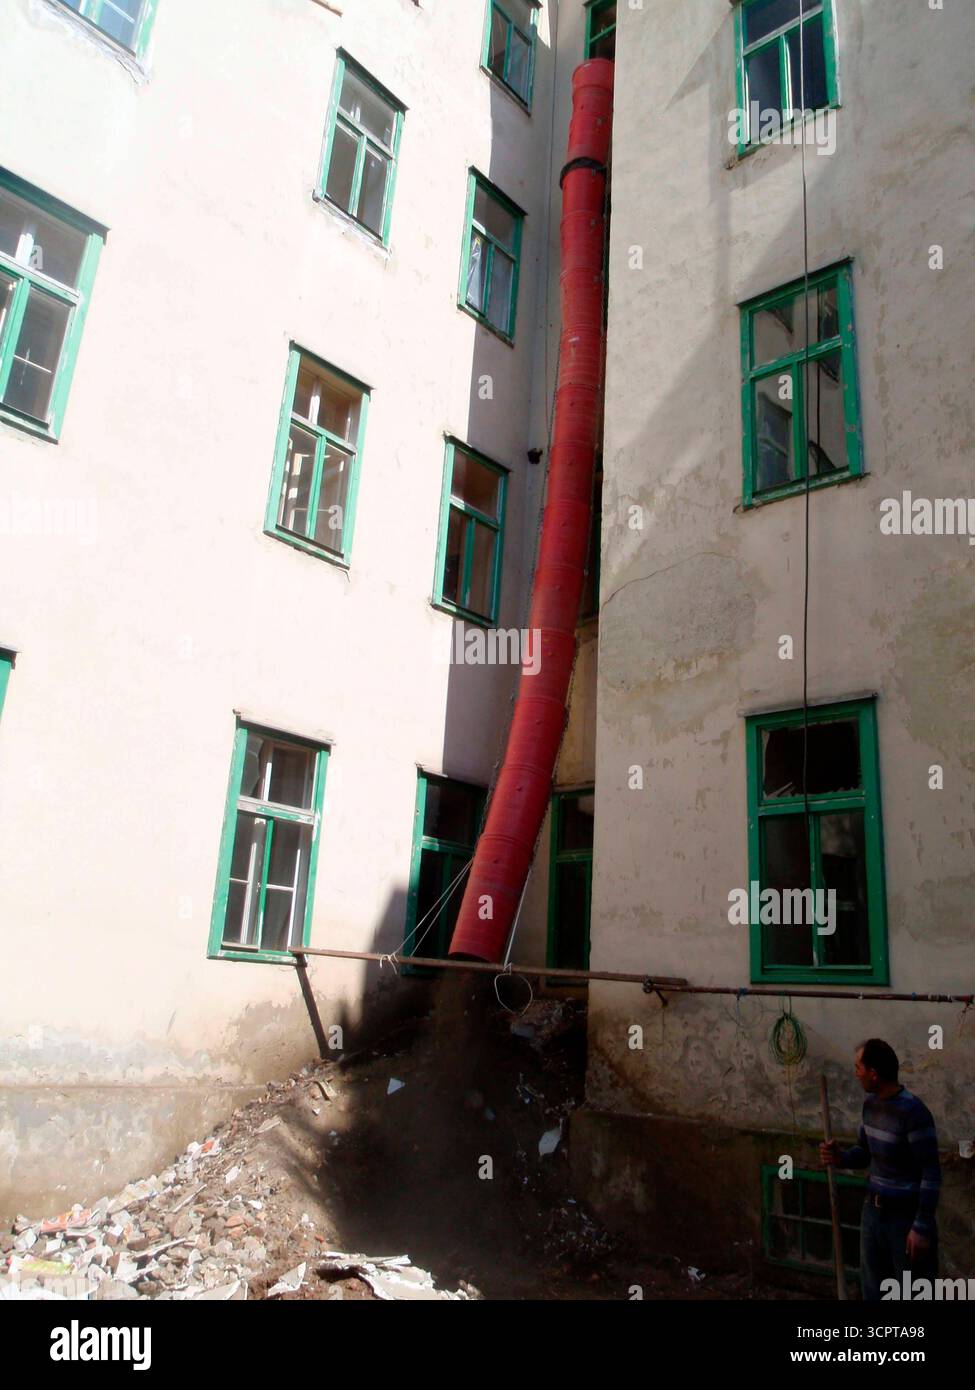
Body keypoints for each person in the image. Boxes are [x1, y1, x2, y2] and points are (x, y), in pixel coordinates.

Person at [820, 1038, 941, 1300]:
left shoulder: (913, 1113)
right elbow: (864, 1153)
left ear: (873, 1074)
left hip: (904, 1219)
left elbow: (931, 1173)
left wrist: (921, 1226)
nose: (855, 1074)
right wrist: (840, 1157)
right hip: (872, 1214)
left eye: (858, 1068)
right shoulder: (870, 1105)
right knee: (874, 1290)